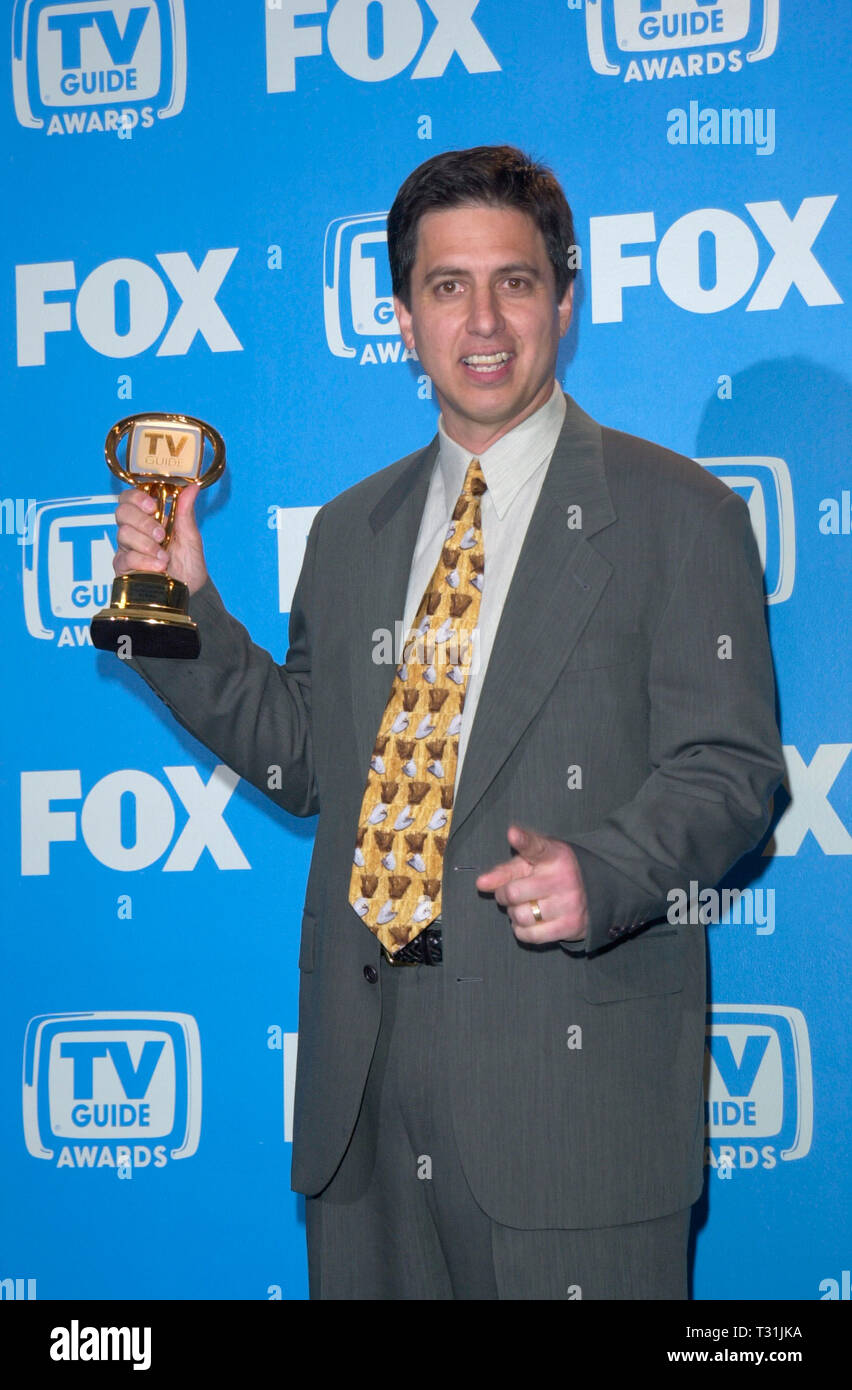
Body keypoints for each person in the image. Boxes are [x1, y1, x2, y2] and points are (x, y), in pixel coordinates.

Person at [113, 145, 785, 1300]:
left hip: (572, 1102)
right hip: (360, 1102)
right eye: (446, 286)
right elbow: (307, 756)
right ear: (404, 318)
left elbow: (732, 769)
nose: (483, 319)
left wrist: (607, 871)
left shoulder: (682, 512)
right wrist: (182, 612)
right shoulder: (349, 530)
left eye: (515, 282)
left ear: (564, 301)